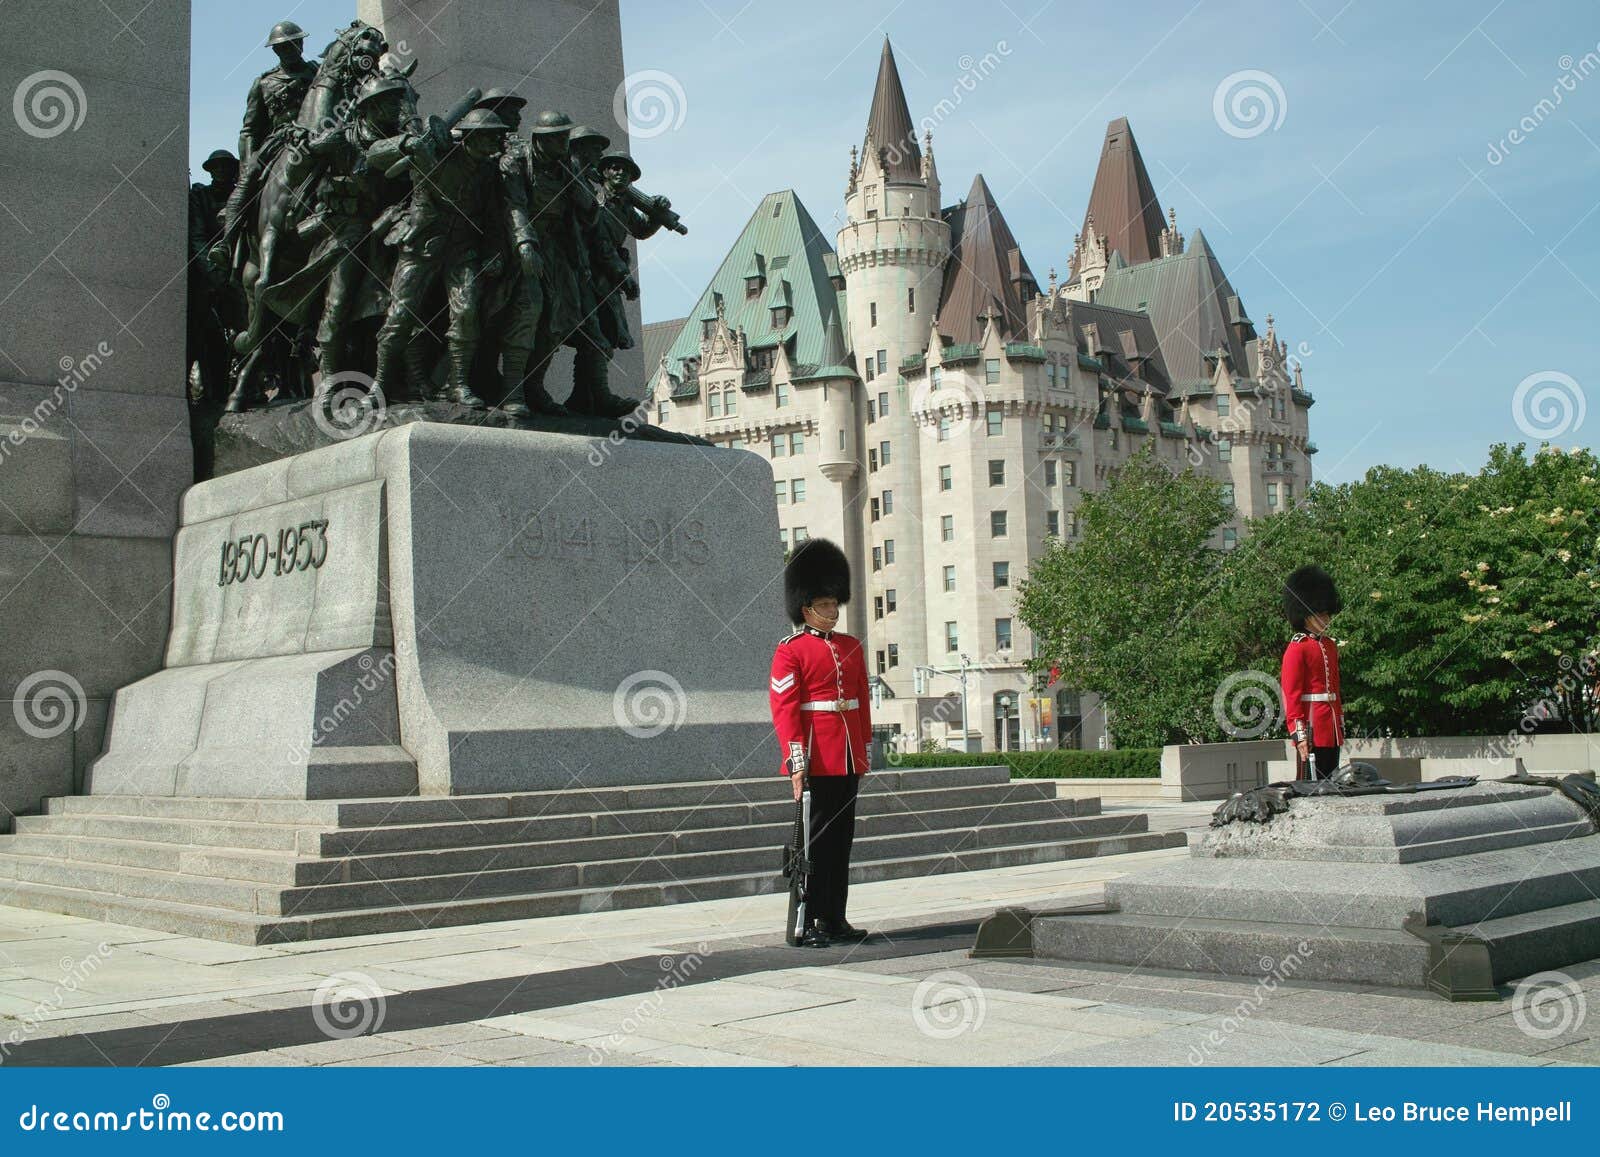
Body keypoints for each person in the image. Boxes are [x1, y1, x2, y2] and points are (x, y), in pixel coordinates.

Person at [769, 539, 871, 946]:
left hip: (845, 757)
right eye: (824, 604)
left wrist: (861, 751)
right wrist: (796, 761)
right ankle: (807, 918)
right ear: (806, 606)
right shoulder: (790, 651)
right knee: (814, 842)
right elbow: (785, 709)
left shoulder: (851, 647)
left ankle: (833, 916)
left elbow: (861, 702)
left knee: (841, 840)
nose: (832, 611)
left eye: (834, 604)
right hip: (816, 757)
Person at [1280, 565, 1345, 780]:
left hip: (1331, 727)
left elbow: (1335, 688)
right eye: (1321, 614)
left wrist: (1339, 724)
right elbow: (1292, 695)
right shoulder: (1298, 647)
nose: (1326, 619)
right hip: (1311, 728)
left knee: (1332, 782)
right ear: (1306, 615)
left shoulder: (1329, 646)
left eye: (1327, 614)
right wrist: (1299, 735)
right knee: (1309, 785)